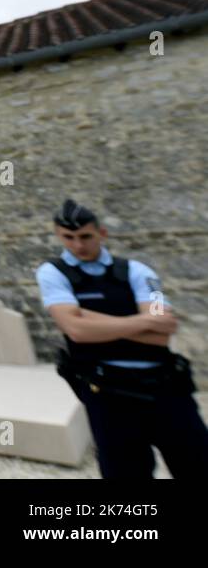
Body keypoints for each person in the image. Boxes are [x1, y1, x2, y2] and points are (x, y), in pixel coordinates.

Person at [37, 198, 208, 478]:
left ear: (102, 233)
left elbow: (162, 333)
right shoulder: (52, 273)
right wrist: (141, 323)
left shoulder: (139, 271)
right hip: (109, 394)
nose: (78, 245)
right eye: (68, 237)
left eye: (85, 237)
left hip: (165, 388)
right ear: (58, 235)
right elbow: (76, 331)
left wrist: (88, 318)